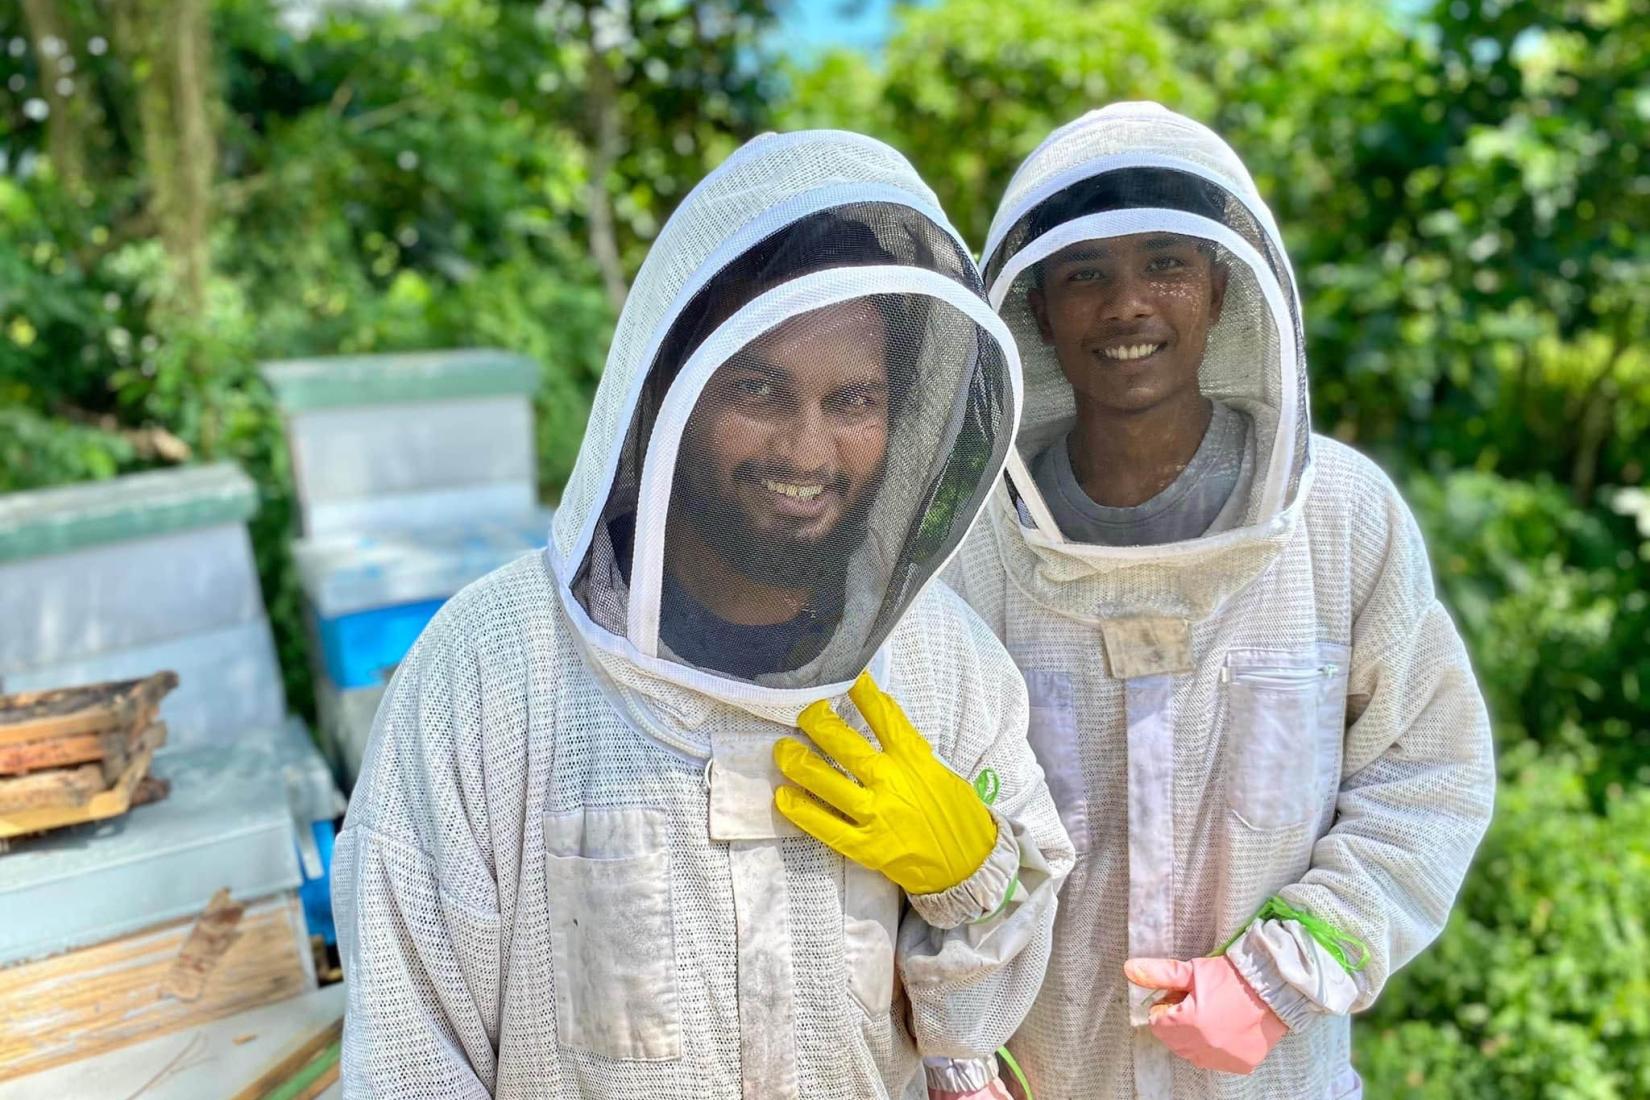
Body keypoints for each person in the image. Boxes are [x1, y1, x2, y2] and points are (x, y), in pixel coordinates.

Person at [333, 129, 1074, 1100]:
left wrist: (972, 880)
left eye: (853, 397)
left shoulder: (942, 667)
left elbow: (971, 1032)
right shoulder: (491, 669)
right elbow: (408, 1050)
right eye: (760, 387)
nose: (807, 450)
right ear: (669, 386)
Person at [941, 102, 1496, 1099]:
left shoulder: (1341, 515)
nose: (1126, 307)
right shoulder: (972, 548)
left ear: (1221, 287)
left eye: (1165, 262)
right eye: (1085, 274)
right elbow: (932, 820)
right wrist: (955, 1044)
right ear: (1034, 308)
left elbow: (1430, 773)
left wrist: (1286, 971)